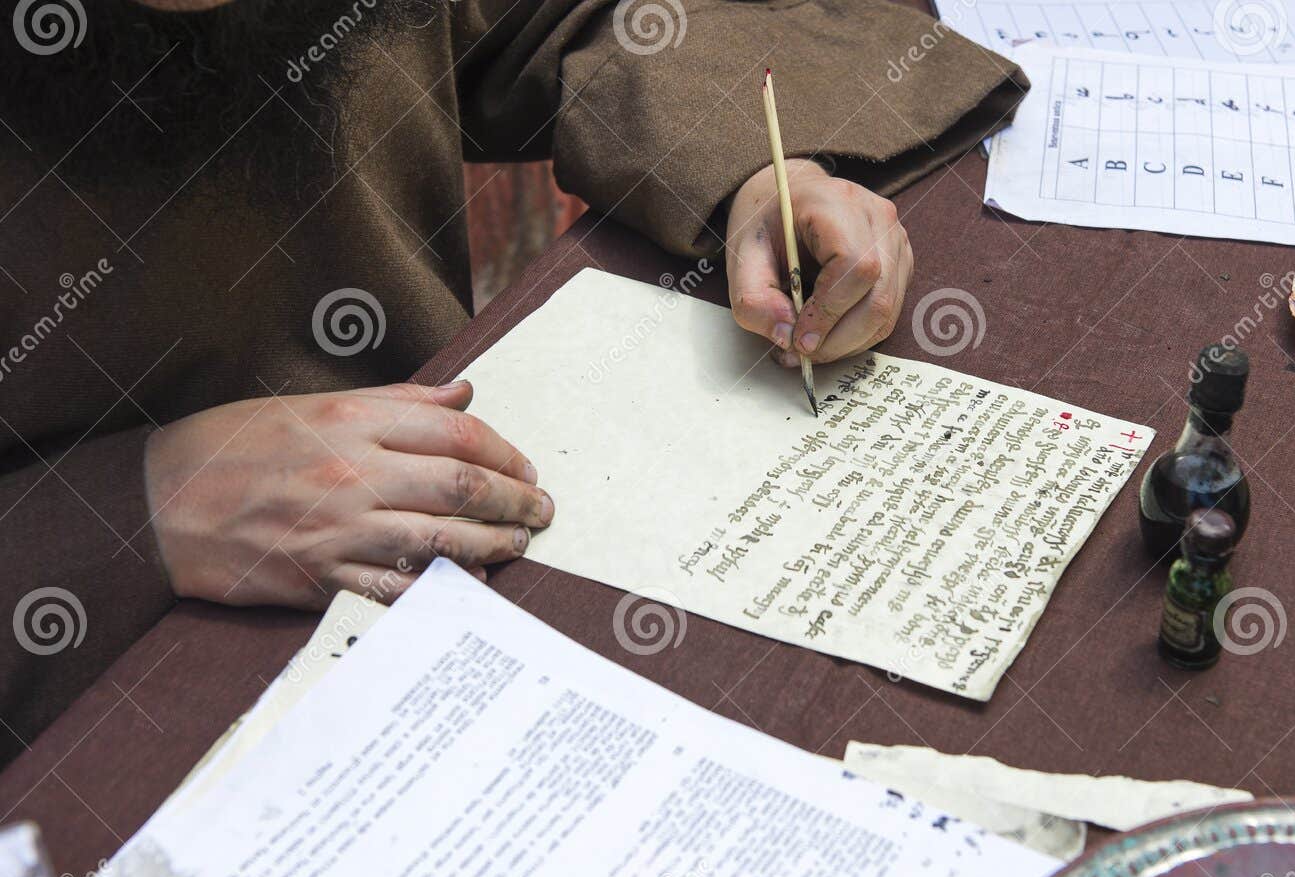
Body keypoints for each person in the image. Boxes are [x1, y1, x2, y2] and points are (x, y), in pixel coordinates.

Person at [0, 0, 1025, 764]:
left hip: (460, 546)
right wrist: (140, 508)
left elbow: (574, 16)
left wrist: (757, 169)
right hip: (108, 706)